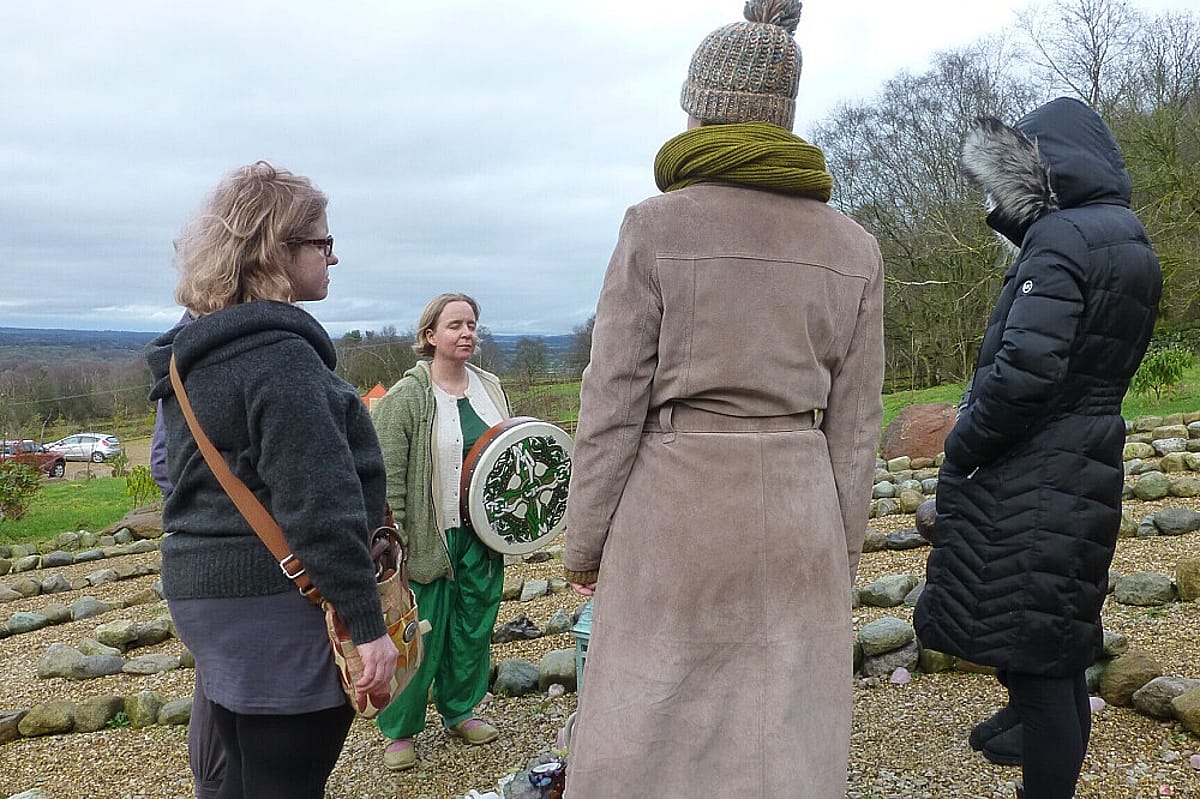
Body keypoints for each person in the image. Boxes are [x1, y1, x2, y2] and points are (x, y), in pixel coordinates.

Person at [561, 1, 885, 795]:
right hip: (801, 505)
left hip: (678, 509)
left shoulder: (654, 226)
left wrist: (585, 541)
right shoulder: (854, 246)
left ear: (701, 106)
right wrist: (841, 546)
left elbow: (611, 402)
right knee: (782, 727)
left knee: (655, 727)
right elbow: (856, 425)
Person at [914, 98, 1162, 799]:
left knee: (1036, 655)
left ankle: (1042, 775)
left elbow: (1025, 370)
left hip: (1034, 470)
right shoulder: (1128, 237)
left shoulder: (1060, 239)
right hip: (1087, 457)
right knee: (1053, 635)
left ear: (1039, 169)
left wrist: (964, 443)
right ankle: (1027, 727)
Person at [145, 161, 399, 799]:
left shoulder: (194, 357)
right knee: (286, 782)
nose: (333, 257)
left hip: (205, 594)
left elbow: (179, 476)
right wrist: (367, 626)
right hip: (277, 604)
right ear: (276, 251)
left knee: (242, 776)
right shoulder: (281, 360)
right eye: (322, 241)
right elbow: (320, 504)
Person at [370, 292, 511, 771]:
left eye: (471, 324)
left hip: (483, 537)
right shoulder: (406, 398)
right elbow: (388, 479)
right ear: (429, 336)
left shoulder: (491, 388)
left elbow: (510, 455)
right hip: (429, 540)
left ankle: (460, 709)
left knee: (473, 627)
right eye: (455, 325)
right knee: (418, 633)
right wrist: (397, 547)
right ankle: (400, 729)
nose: (467, 333)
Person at [150, 311, 224, 799]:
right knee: (220, 683)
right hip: (224, 555)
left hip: (214, 553)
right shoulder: (194, 350)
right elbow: (163, 461)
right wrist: (220, 512)